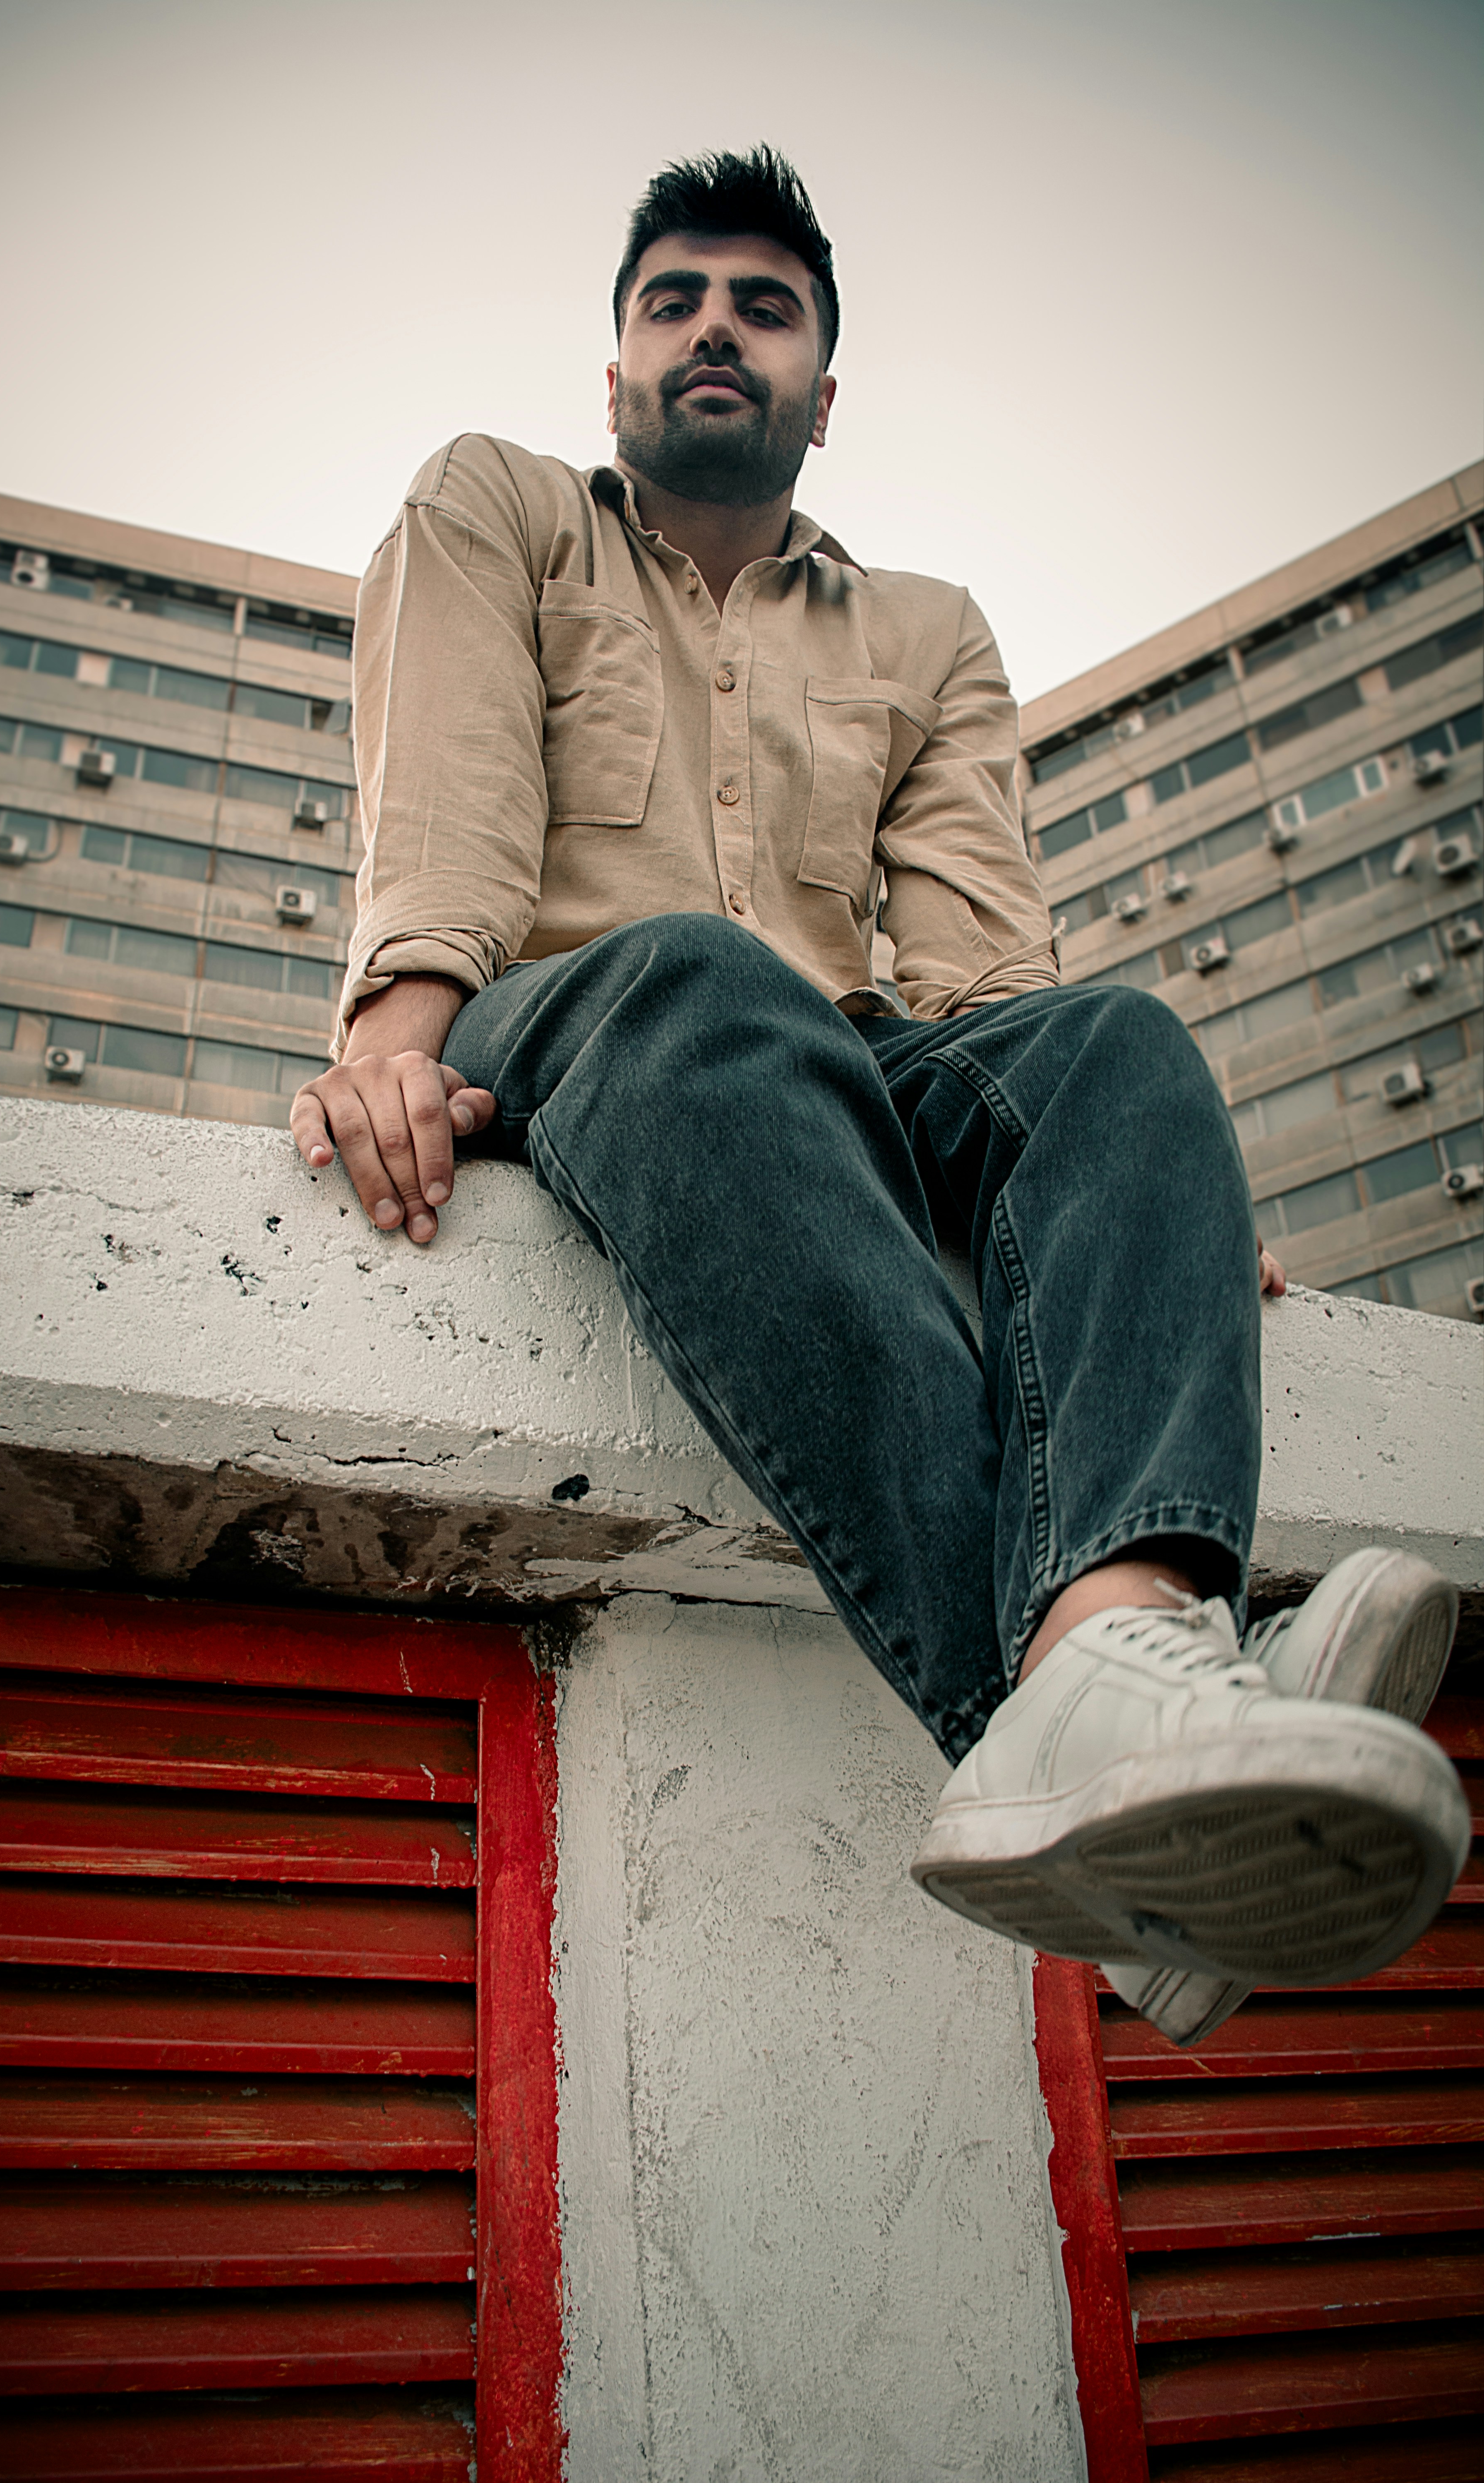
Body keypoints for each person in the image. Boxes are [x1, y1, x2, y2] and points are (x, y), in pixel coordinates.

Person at [292, 148, 1466, 2047]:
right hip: (583, 1022)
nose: (713, 332)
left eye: (763, 309)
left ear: (823, 391)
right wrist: (392, 1039)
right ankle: (1090, 1716)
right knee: (710, 971)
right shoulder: (499, 504)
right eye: (672, 301)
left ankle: (1128, 1659)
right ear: (613, 371)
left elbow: (992, 975)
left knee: (1122, 1048)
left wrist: (1136, 1188)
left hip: (840, 1067)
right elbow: (449, 805)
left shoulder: (928, 631)